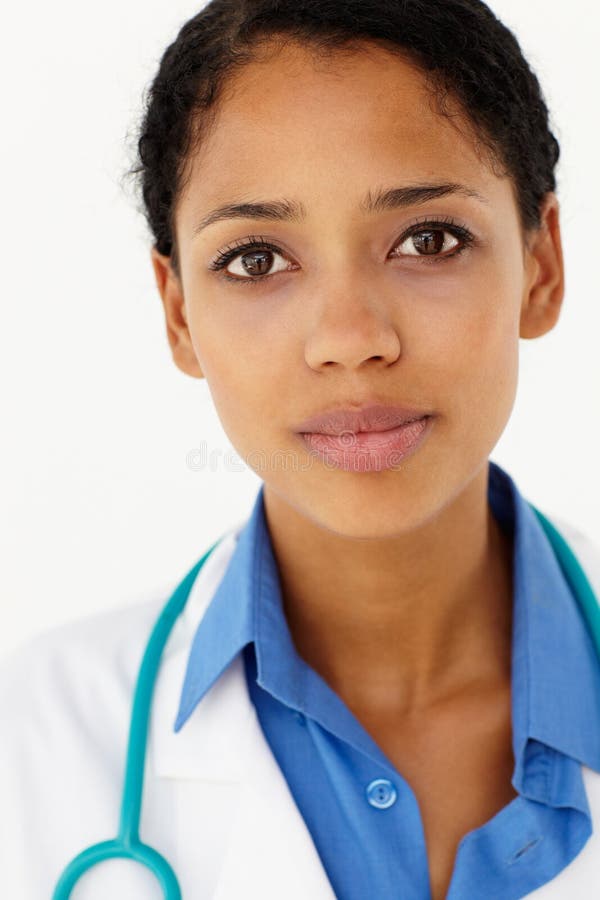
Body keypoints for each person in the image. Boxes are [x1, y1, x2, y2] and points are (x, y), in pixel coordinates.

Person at [2, 0, 600, 898]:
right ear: (179, 317)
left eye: (427, 240)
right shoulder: (32, 741)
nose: (349, 338)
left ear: (541, 266)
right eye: (255, 260)